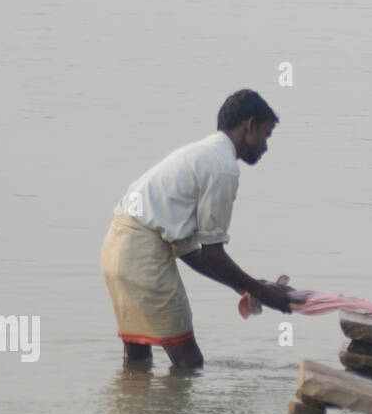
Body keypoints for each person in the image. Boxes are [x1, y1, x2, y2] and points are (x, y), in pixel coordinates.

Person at [99, 90, 304, 368]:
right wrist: (266, 294)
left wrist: (248, 288)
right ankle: (178, 412)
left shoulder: (202, 153)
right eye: (266, 135)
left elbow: (186, 248)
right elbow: (212, 254)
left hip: (116, 249)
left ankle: (134, 409)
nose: (266, 146)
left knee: (138, 357)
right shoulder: (223, 168)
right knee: (188, 361)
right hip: (142, 255)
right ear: (249, 126)